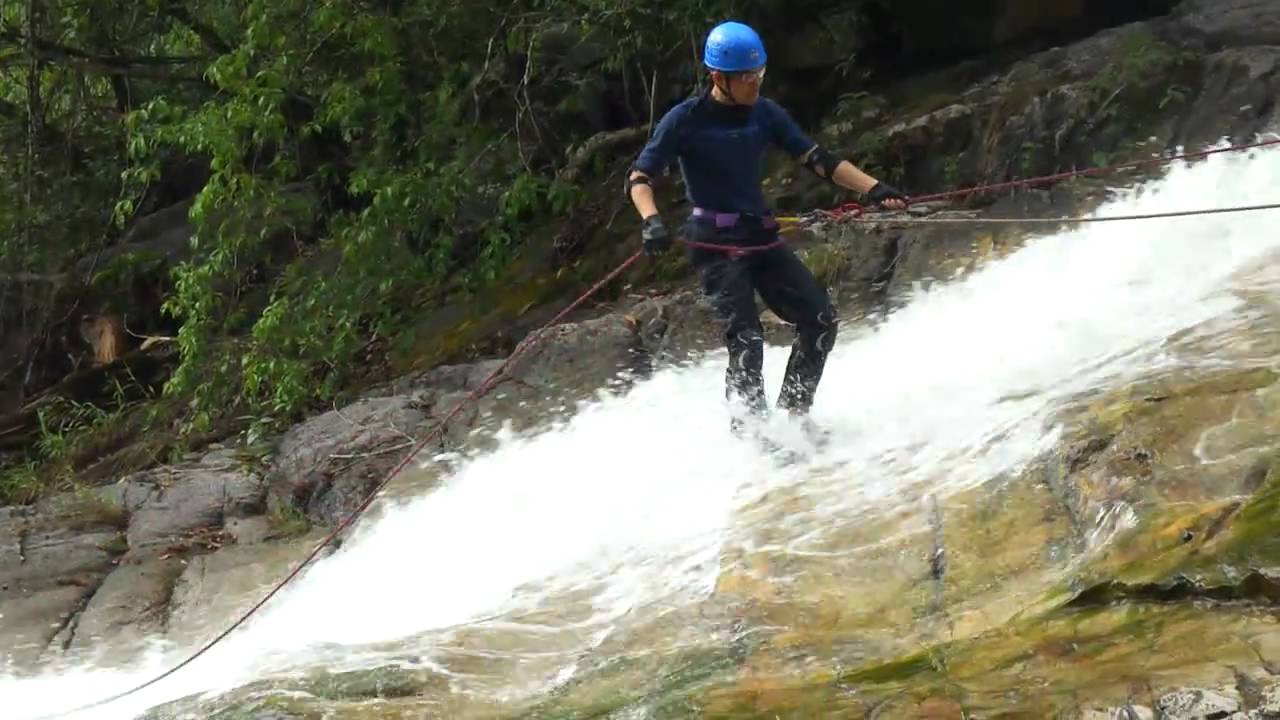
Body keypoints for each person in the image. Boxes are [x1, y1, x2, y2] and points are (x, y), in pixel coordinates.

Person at [625, 20, 909, 447]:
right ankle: (752, 442)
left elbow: (818, 158)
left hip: (759, 236)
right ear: (718, 77)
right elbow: (639, 178)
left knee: (820, 321)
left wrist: (873, 188)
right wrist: (651, 220)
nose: (755, 83)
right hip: (714, 243)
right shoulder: (685, 120)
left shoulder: (766, 113)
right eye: (746, 77)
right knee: (747, 340)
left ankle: (794, 420)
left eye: (760, 74)